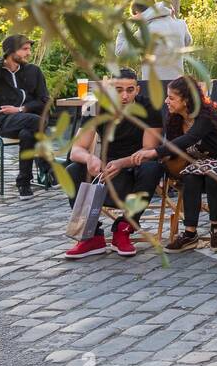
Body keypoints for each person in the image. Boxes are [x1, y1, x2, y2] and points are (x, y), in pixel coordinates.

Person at [63, 69, 165, 259]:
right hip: (105, 168)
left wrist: (122, 163)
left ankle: (124, 228)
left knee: (152, 167)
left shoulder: (150, 108)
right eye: (118, 90)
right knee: (73, 170)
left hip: (135, 168)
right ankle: (91, 237)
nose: (124, 95)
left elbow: (148, 150)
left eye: (129, 90)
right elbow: (76, 150)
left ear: (137, 89)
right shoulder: (95, 106)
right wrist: (90, 158)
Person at [134, 75, 217, 252]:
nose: (166, 101)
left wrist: (154, 152)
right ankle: (190, 234)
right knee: (191, 177)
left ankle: (216, 229)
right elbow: (176, 148)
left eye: (171, 98)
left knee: (213, 175)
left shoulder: (207, 115)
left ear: (187, 100)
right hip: (194, 165)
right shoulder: (175, 118)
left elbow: (190, 138)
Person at [0, 33, 51, 199]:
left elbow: (45, 101)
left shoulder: (33, 71)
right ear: (10, 51)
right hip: (6, 122)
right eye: (24, 49)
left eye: (29, 49)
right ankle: (48, 167)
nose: (29, 53)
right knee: (37, 122)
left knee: (28, 134)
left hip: (28, 120)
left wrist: (21, 109)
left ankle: (24, 183)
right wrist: (5, 62)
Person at [115, 0, 193, 83]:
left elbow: (120, 52)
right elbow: (188, 42)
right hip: (178, 84)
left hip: (153, 86)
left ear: (137, 13)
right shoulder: (180, 24)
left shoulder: (145, 31)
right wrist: (173, 17)